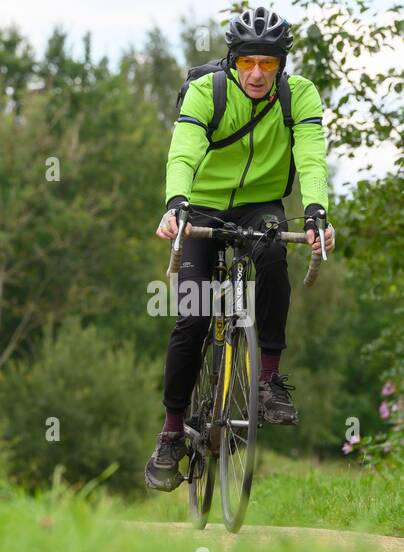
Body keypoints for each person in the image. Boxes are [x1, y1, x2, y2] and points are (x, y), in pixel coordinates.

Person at [144, 6, 336, 492]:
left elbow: (311, 157)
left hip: (261, 207)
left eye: (267, 65)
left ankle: (268, 380)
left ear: (281, 66)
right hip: (202, 207)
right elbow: (184, 148)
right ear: (232, 61)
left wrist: (316, 212)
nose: (256, 74)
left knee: (273, 255)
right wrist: (176, 204)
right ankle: (171, 433)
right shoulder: (209, 91)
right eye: (248, 62)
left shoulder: (300, 96)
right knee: (192, 316)